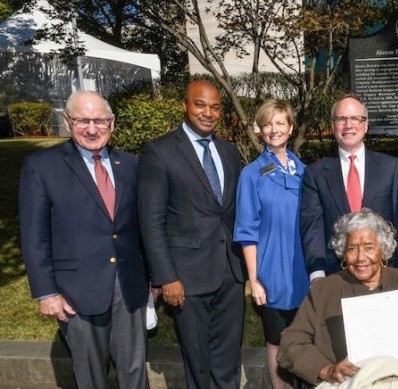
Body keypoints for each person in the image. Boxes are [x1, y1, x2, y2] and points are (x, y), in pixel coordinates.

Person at [19, 90, 149, 388]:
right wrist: (46, 292)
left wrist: (153, 278)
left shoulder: (131, 165)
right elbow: (34, 236)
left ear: (112, 123)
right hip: (76, 292)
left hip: (129, 285)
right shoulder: (42, 166)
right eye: (82, 120)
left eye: (100, 121)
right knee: (90, 377)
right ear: (67, 122)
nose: (92, 129)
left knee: (134, 372)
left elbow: (141, 225)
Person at [277, 208, 398, 386]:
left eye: (369, 247)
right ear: (343, 253)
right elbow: (291, 344)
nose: (361, 257)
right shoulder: (324, 291)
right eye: (352, 248)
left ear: (383, 250)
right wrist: (327, 370)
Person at [138, 80, 245, 389]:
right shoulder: (159, 153)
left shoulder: (228, 151)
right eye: (200, 105)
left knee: (227, 358)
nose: (208, 113)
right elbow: (151, 222)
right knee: (198, 362)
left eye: (215, 107)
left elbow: (232, 210)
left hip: (230, 271)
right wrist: (166, 277)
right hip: (186, 278)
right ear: (184, 105)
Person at [234, 99, 309, 389]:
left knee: (304, 339)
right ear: (261, 130)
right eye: (268, 123)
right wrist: (255, 280)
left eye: (280, 123)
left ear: (290, 128)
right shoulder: (251, 174)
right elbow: (246, 231)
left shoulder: (305, 171)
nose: (274, 129)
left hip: (303, 271)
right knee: (276, 341)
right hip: (271, 273)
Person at [300, 95, 398, 282]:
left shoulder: (390, 167)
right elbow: (313, 227)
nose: (348, 125)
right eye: (341, 119)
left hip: (383, 273)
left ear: (366, 125)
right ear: (333, 125)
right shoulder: (316, 173)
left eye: (355, 118)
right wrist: (316, 273)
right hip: (336, 275)